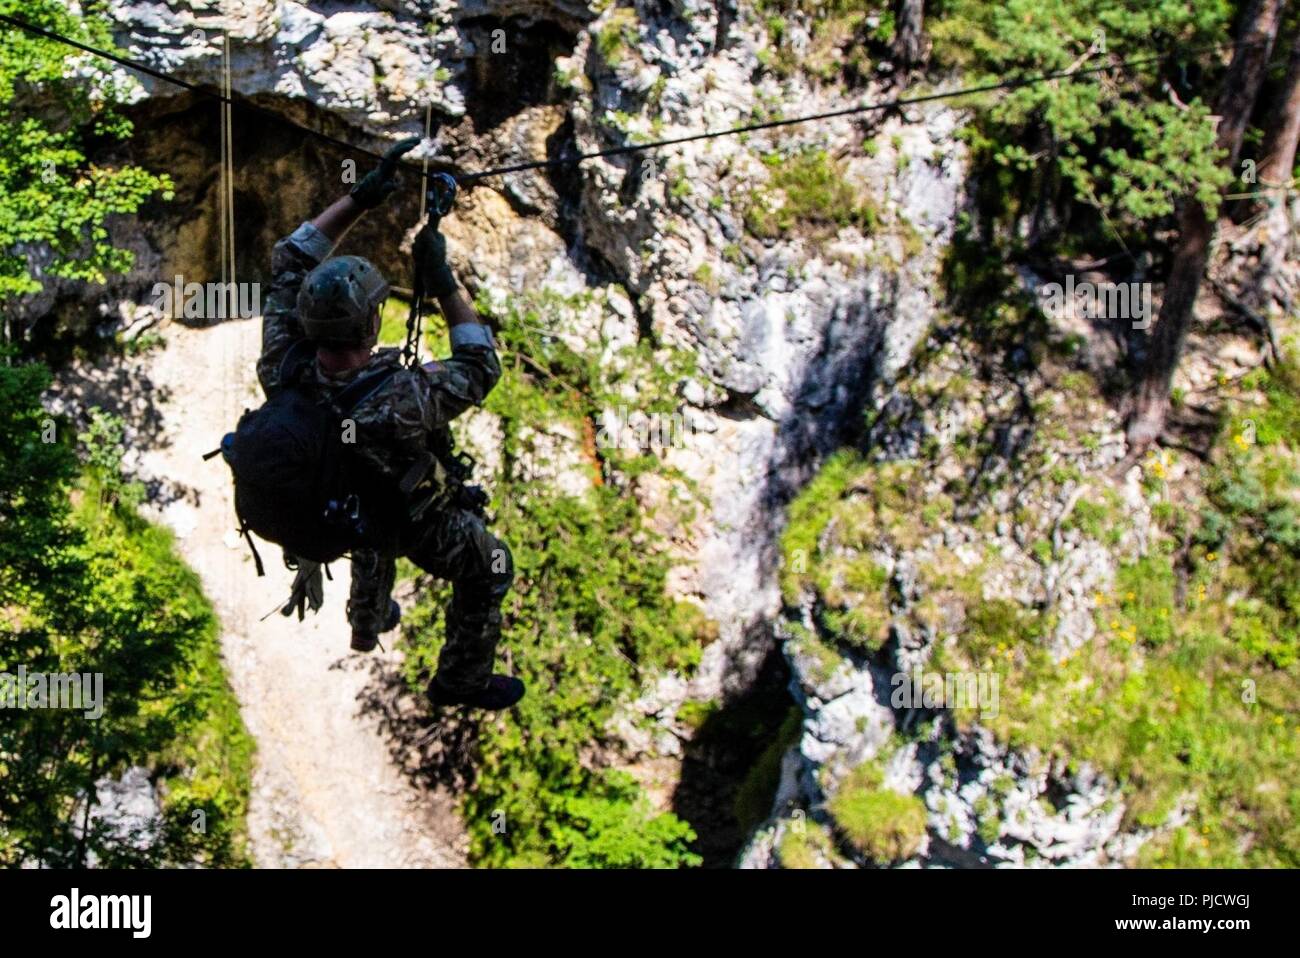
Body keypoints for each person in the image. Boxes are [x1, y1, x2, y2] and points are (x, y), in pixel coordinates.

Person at [256, 138, 524, 711]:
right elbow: (480, 364)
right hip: (398, 517)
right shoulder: (399, 398)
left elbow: (290, 260)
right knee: (489, 567)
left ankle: (367, 620)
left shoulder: (282, 364)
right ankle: (462, 679)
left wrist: (361, 197)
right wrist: (444, 281)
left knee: (369, 522)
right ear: (374, 322)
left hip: (335, 508)